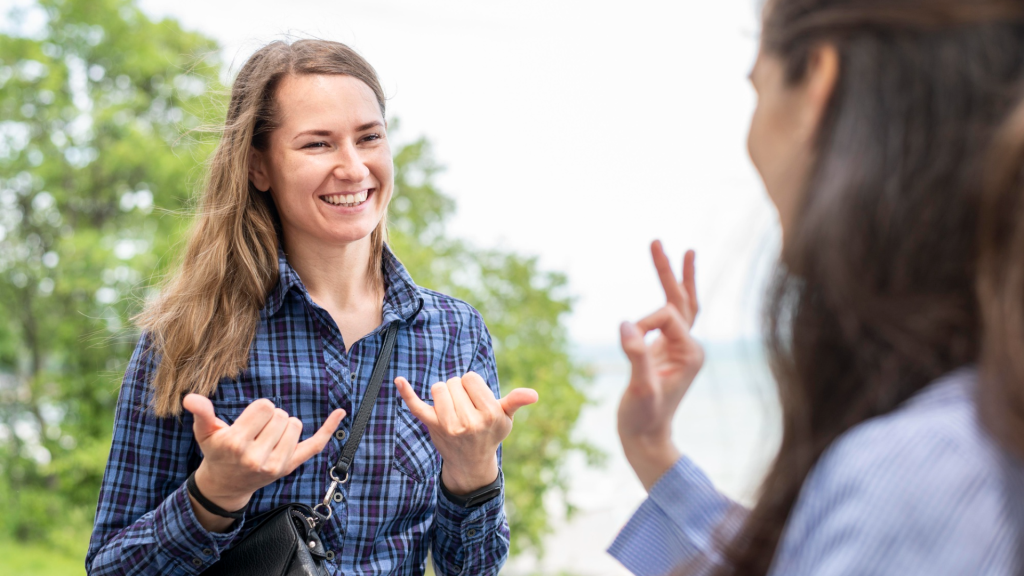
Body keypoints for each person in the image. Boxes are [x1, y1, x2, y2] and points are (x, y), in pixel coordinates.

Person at [86, 39, 536, 576]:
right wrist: (215, 495)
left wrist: (473, 472)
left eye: (369, 137)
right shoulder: (189, 335)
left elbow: (475, 569)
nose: (352, 167)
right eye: (317, 145)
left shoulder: (454, 333)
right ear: (259, 167)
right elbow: (109, 568)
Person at [610, 1, 1024, 575]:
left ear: (818, 84)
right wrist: (653, 449)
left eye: (758, 89)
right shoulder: (976, 418)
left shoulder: (914, 475)